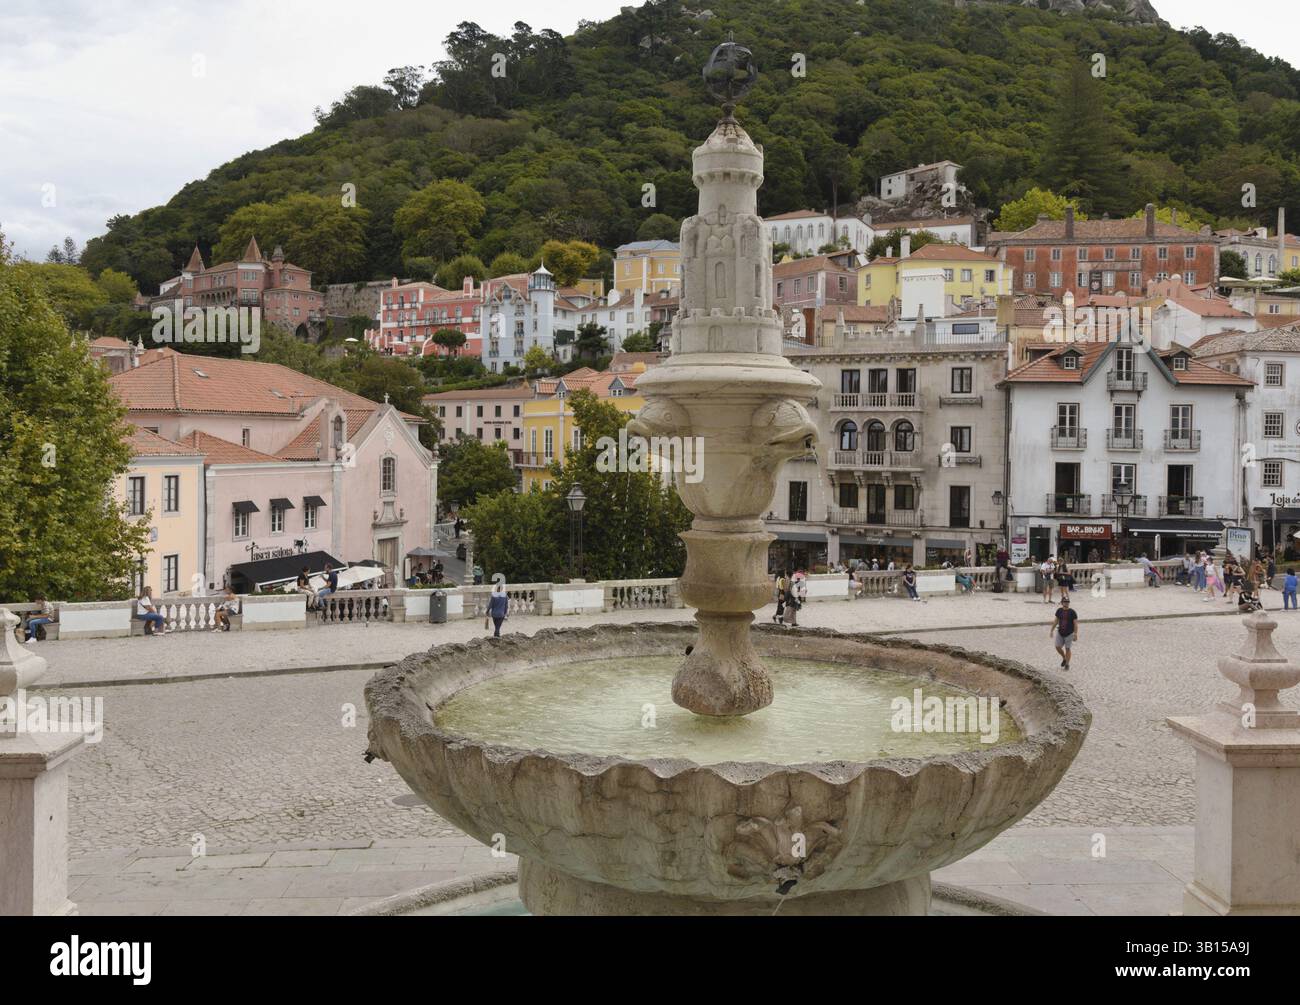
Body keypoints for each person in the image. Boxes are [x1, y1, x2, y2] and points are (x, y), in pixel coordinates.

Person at [1050, 594, 1079, 670]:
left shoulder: (1072, 612)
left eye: (1067, 602)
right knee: (1057, 646)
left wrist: (1075, 634)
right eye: (1065, 602)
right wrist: (1051, 630)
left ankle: (1067, 664)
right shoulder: (1059, 611)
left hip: (1069, 633)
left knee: (1067, 648)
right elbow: (1056, 621)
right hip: (1060, 632)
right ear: (1062, 602)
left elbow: (1075, 624)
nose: (1066, 603)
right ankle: (1064, 657)